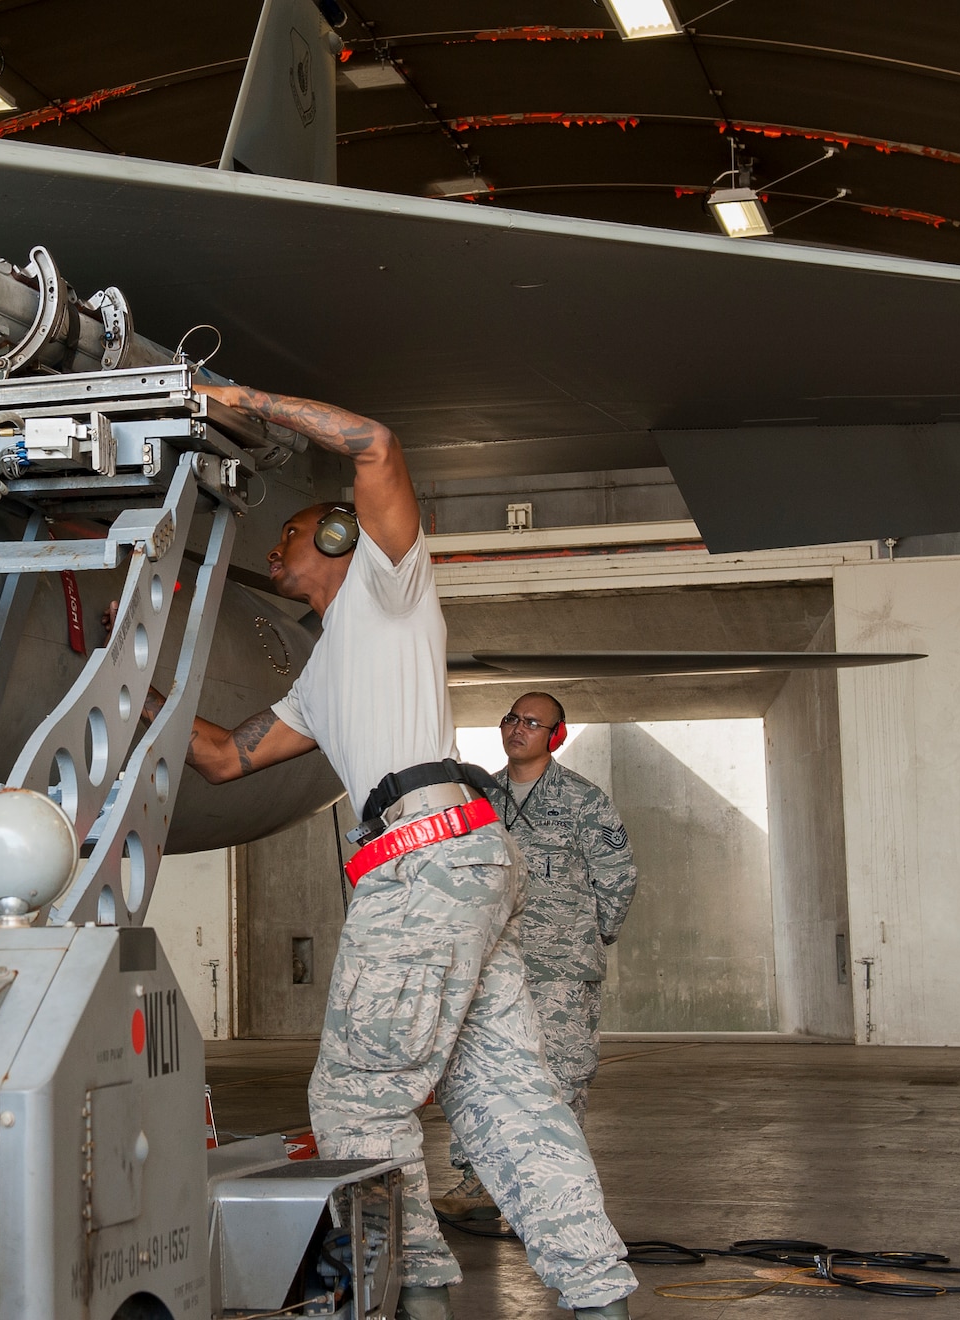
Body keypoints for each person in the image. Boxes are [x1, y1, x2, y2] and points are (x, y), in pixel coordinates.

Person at [153, 384, 638, 1320]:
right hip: (462, 865)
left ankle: (416, 1290)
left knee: (359, 1101)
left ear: (333, 537)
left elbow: (375, 441)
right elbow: (220, 758)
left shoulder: (392, 589)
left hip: (423, 863)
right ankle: (599, 1298)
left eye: (286, 535)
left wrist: (230, 397)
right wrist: (128, 689)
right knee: (507, 1102)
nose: (274, 552)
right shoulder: (320, 674)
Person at [439, 692, 639, 1216]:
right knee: (476, 1069)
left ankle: (553, 1179)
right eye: (510, 718)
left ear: (556, 735)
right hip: (491, 965)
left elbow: (617, 877)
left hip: (561, 969)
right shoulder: (479, 801)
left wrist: (590, 938)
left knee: (563, 1071)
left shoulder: (583, 800)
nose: (517, 728)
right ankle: (476, 1181)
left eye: (532, 722)